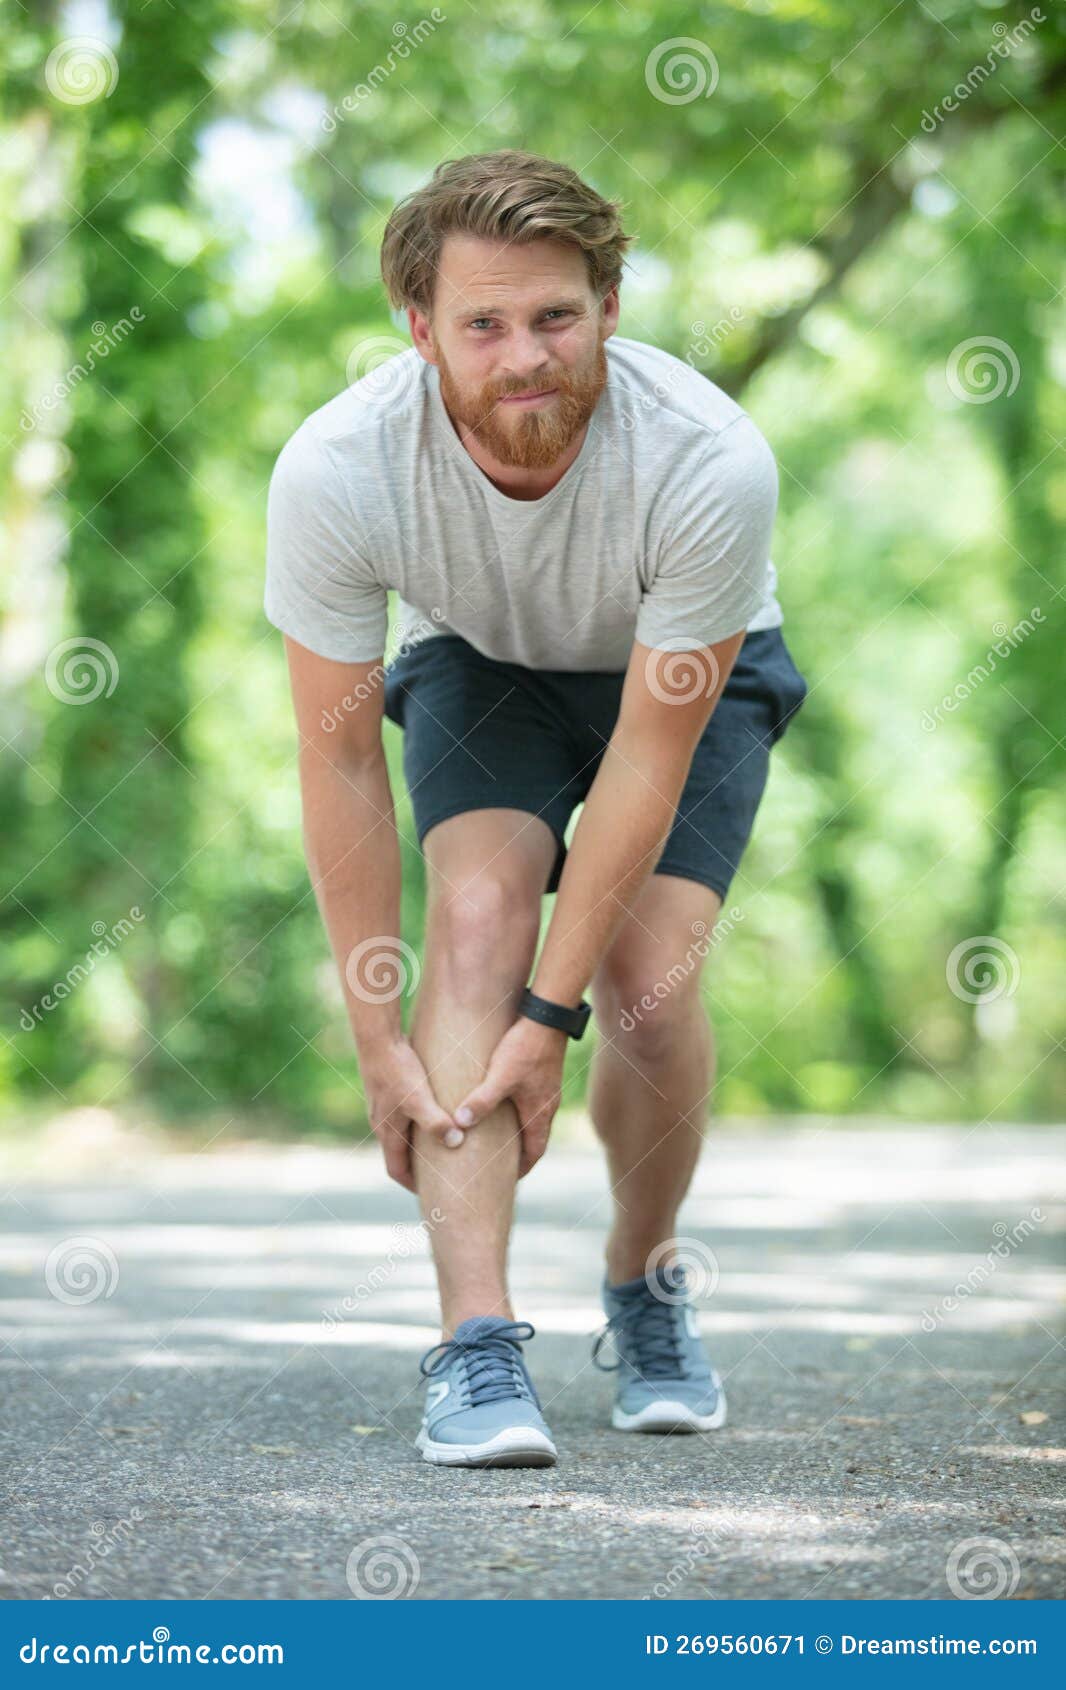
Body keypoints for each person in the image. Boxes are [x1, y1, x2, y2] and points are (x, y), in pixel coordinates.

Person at [264, 149, 808, 1468]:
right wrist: (376, 1034)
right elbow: (339, 764)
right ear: (419, 330)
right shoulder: (339, 468)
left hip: (679, 673)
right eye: (484, 324)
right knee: (473, 920)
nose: (526, 356)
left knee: (646, 990)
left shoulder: (707, 460)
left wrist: (550, 1020)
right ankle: (475, 1341)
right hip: (481, 662)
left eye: (557, 316)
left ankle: (643, 1278)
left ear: (608, 308)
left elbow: (645, 758)